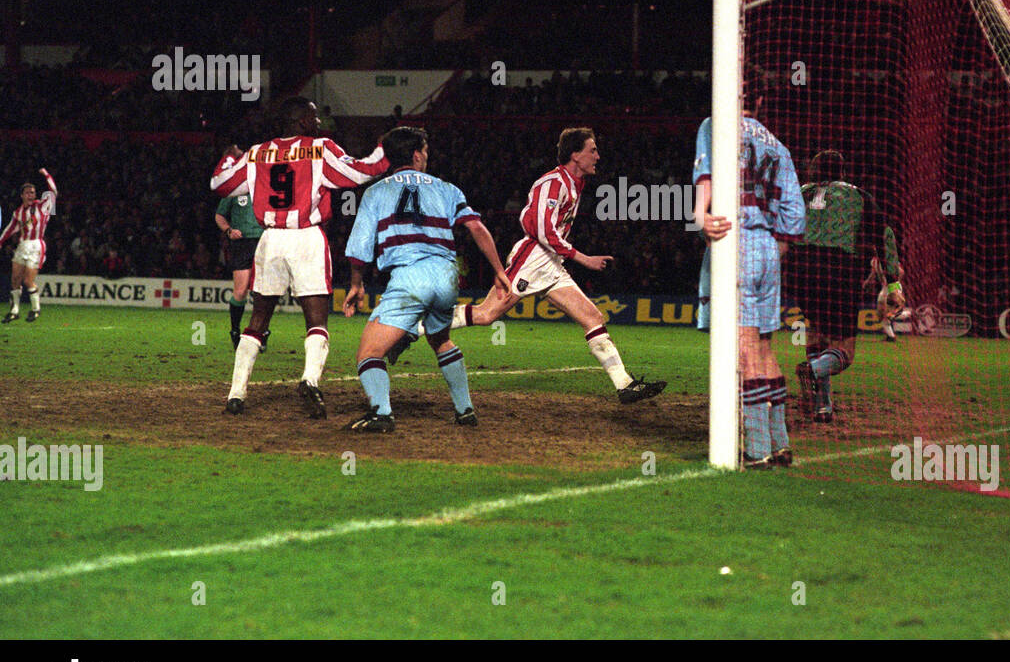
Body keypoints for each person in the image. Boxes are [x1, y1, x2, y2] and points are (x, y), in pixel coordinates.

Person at [450, 127, 667, 404]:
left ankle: (625, 385)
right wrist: (583, 258)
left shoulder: (575, 184)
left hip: (552, 263)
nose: (598, 156)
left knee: (593, 318)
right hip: (532, 260)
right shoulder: (552, 183)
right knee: (485, 315)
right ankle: (419, 326)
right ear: (575, 155)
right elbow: (542, 230)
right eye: (592, 150)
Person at [210, 96, 388, 418]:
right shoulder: (320, 149)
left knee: (258, 320)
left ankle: (236, 394)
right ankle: (310, 380)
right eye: (314, 118)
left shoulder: (257, 153)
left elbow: (219, 184)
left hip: (270, 240)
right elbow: (362, 172)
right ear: (302, 121)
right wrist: (384, 148)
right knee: (316, 321)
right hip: (306, 238)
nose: (319, 123)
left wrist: (229, 156)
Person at [342, 126, 511, 432]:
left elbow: (359, 248)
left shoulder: (375, 192)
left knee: (369, 353)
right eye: (426, 151)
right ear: (417, 155)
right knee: (440, 339)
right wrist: (499, 271)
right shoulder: (447, 188)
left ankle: (382, 415)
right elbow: (476, 228)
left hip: (410, 276)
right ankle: (465, 411)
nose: (427, 157)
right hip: (447, 275)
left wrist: (356, 283)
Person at [693, 95, 805, 468]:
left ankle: (756, 449)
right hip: (769, 247)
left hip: (734, 239)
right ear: (759, 99)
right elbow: (794, 213)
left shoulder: (715, 124)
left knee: (744, 350)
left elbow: (705, 177)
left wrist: (700, 216)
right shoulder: (778, 146)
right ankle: (780, 442)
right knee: (764, 348)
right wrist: (771, 251)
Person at [788, 150, 872, 423]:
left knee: (817, 333)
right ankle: (813, 369)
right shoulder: (857, 195)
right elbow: (883, 234)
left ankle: (822, 405)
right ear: (842, 173)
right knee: (845, 351)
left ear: (813, 171)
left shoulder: (800, 193)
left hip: (801, 270)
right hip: (840, 271)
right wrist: (892, 279)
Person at [214, 146, 269, 350]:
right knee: (241, 290)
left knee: (264, 291)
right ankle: (235, 330)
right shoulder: (234, 189)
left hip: (264, 241)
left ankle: (261, 332)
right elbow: (219, 216)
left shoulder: (266, 185)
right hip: (242, 243)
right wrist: (229, 230)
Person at [1, 168, 57, 324]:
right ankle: (14, 311)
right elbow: (10, 229)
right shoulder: (18, 212)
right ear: (22, 196)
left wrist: (46, 175)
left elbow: (53, 192)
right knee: (15, 280)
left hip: (36, 245)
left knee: (28, 281)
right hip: (22, 245)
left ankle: (35, 309)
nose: (31, 195)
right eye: (28, 193)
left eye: (33, 193)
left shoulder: (42, 206)